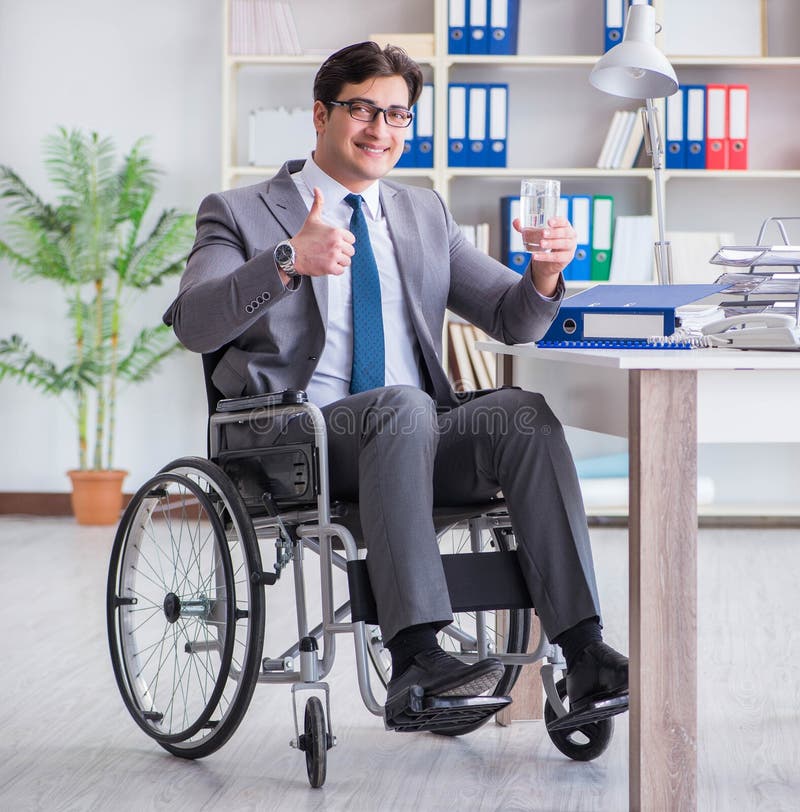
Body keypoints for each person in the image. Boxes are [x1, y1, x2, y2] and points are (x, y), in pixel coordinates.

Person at [164, 41, 628, 717]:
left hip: (418, 438)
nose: (381, 130)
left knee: (522, 412)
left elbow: (511, 317)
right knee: (403, 406)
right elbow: (193, 325)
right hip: (303, 443)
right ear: (321, 115)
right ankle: (414, 655)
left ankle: (584, 653)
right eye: (362, 110)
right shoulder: (241, 212)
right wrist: (288, 260)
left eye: (397, 115)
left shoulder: (422, 213)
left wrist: (545, 274)